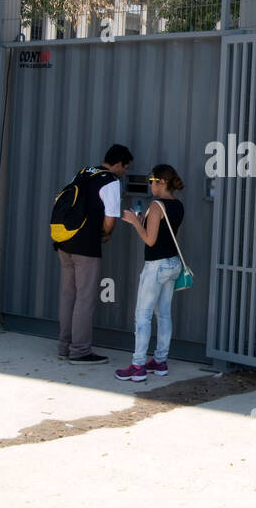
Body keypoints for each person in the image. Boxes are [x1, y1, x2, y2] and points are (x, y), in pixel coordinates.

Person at [55, 144, 132, 365]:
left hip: (64, 240)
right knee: (85, 298)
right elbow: (110, 219)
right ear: (119, 164)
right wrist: (106, 234)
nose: (125, 172)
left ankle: (64, 346)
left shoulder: (83, 172)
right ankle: (79, 351)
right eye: (125, 168)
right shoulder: (111, 181)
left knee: (68, 295)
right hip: (86, 244)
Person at [115, 164, 186, 382]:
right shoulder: (178, 205)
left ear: (162, 182)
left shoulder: (156, 206)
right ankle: (160, 361)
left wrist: (136, 222)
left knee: (142, 315)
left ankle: (137, 366)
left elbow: (150, 240)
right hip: (173, 264)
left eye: (152, 181)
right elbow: (169, 236)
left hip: (156, 265)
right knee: (163, 314)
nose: (150, 185)